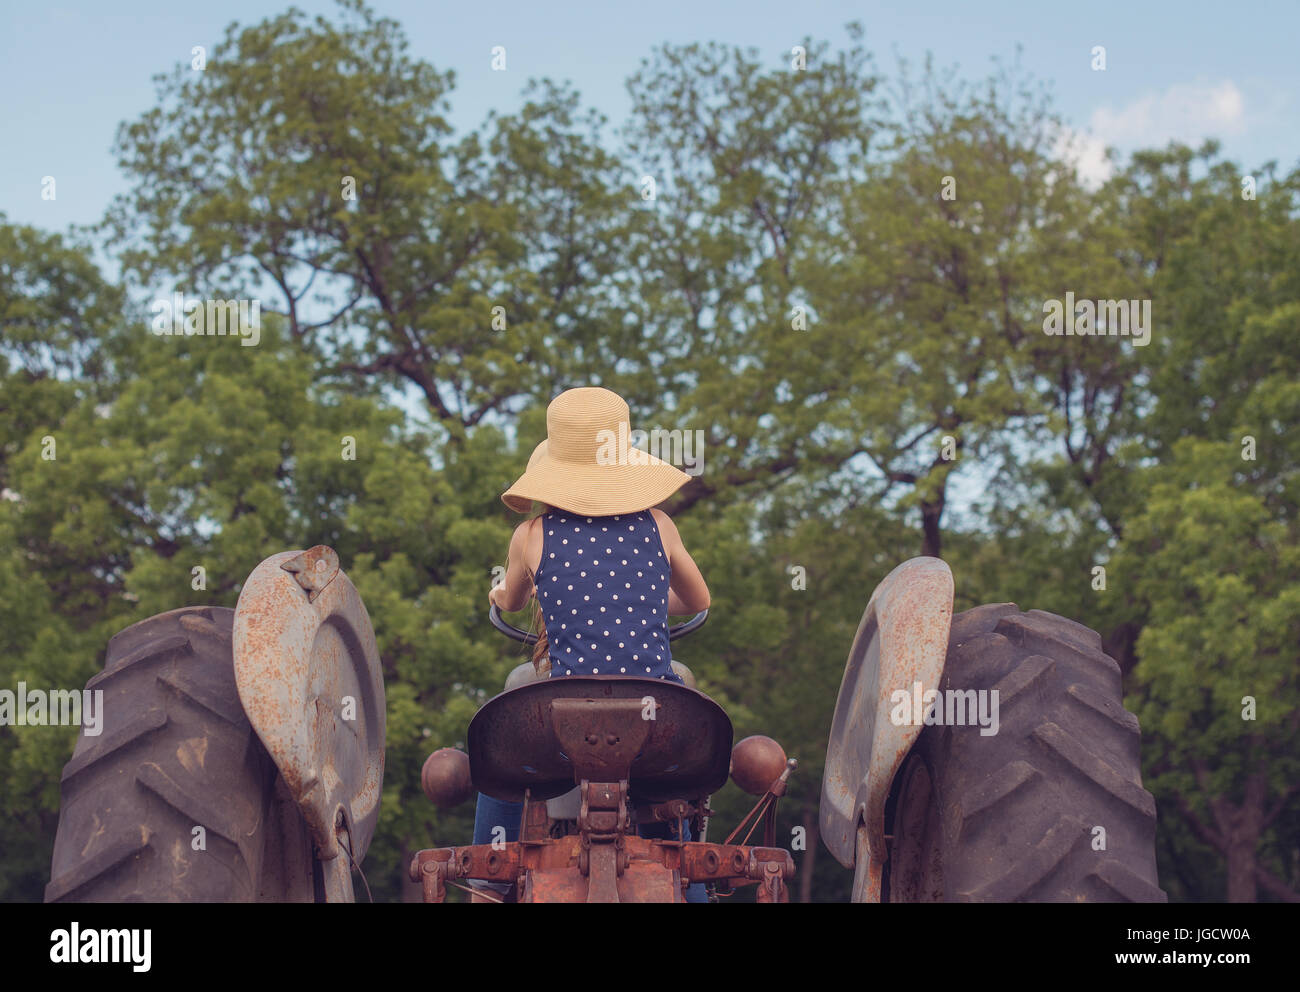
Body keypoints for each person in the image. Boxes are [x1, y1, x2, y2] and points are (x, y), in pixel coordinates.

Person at [474, 385, 711, 901]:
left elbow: (511, 602)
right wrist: (646, 601)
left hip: (566, 726)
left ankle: (486, 882)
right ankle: (689, 884)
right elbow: (697, 599)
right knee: (679, 786)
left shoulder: (530, 534)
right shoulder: (660, 525)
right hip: (655, 719)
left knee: (502, 731)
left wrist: (498, 589)